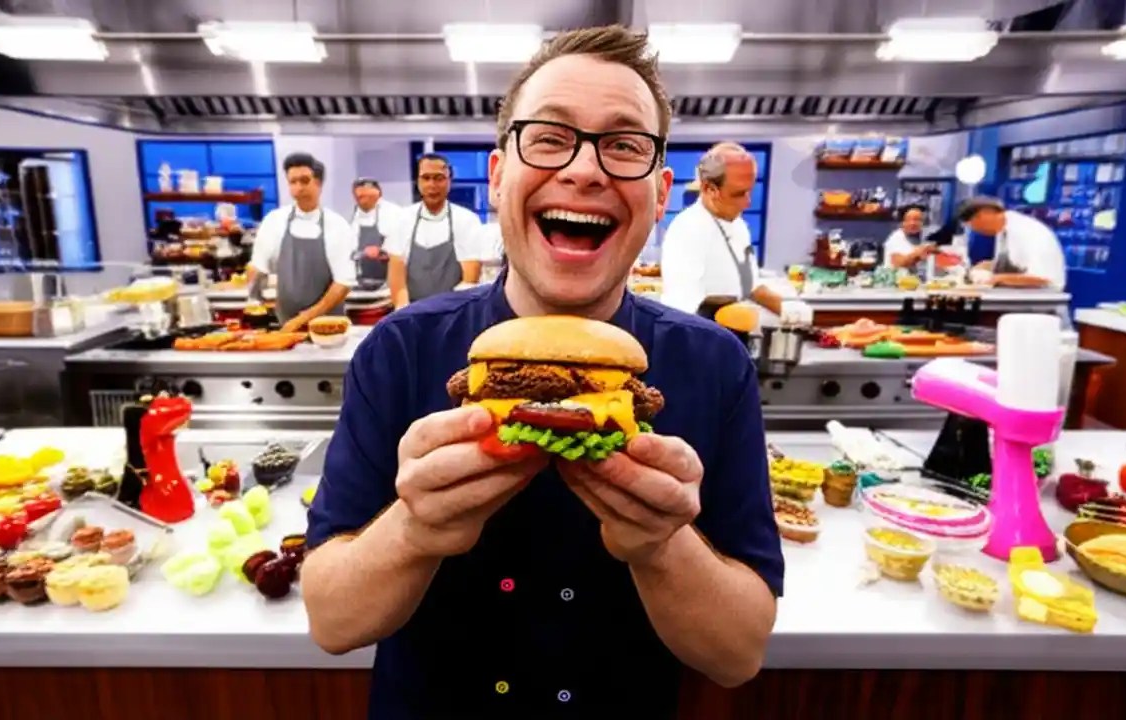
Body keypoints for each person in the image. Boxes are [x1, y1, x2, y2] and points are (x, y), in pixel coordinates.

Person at [302, 25, 782, 720]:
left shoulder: (715, 365)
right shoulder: (399, 349)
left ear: (659, 191)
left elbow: (737, 656)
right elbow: (332, 624)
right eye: (550, 137)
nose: (585, 170)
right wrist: (414, 530)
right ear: (498, 177)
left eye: (624, 146)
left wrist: (661, 546)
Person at [658, 143, 784, 317]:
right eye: (738, 194)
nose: (747, 203)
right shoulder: (688, 230)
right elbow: (683, 306)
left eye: (749, 192)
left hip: (733, 334)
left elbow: (751, 285)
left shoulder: (738, 227)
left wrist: (796, 313)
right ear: (709, 189)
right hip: (699, 335)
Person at [246, 152, 356, 331]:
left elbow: (343, 284)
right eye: (292, 182)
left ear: (318, 183)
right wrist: (253, 296)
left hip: (328, 327)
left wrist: (303, 319)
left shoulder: (336, 225)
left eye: (304, 181)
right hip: (284, 324)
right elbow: (258, 267)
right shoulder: (275, 221)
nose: (298, 187)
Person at [385, 154, 485, 308]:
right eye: (426, 178)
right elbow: (397, 281)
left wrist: (446, 314)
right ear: (418, 182)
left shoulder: (466, 220)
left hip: (454, 311)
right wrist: (405, 314)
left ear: (449, 182)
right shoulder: (401, 219)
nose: (432, 185)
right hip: (412, 313)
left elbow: (470, 279)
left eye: (439, 178)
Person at [951, 196, 1067, 289]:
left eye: (971, 225)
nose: (975, 230)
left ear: (984, 214)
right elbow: (1017, 263)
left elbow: (1042, 278)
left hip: (1043, 303)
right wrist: (989, 266)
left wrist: (995, 278)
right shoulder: (1005, 229)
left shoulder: (1025, 230)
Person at [350, 177, 401, 287]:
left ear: (378, 194)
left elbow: (402, 246)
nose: (360, 198)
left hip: (390, 282)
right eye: (358, 196)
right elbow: (351, 247)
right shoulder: (356, 214)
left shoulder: (393, 212)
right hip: (363, 280)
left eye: (365, 195)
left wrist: (382, 251)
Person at [882, 204, 937, 270]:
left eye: (917, 220)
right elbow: (899, 263)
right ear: (902, 222)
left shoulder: (925, 236)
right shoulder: (895, 238)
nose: (913, 223)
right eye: (908, 220)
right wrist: (919, 253)